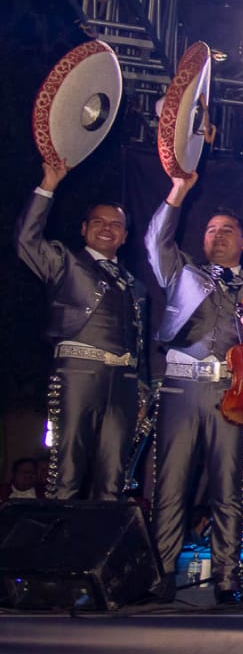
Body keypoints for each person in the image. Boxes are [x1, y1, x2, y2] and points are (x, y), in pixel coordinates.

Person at [146, 171, 243, 604]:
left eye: (227, 231)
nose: (217, 236)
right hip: (182, 390)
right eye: (210, 230)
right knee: (170, 486)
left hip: (232, 394)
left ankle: (228, 577)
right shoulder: (183, 272)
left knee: (230, 487)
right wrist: (178, 191)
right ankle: (162, 572)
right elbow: (154, 243)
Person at [17, 162, 145, 501]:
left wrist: (142, 387)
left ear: (125, 236)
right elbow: (26, 239)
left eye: (116, 224)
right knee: (67, 471)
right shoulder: (64, 261)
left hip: (123, 384)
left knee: (113, 479)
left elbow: (140, 341)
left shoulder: (134, 284)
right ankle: (57, 553)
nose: (107, 229)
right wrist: (48, 184)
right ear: (84, 229)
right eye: (99, 222)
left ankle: (100, 552)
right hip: (77, 374)